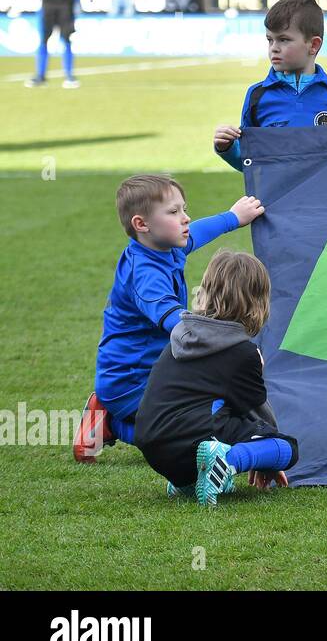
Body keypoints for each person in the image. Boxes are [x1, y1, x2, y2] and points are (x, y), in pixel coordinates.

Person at [72, 176, 265, 462]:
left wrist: (233, 217)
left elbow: (197, 231)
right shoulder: (145, 275)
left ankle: (110, 415)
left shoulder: (166, 246)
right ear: (142, 225)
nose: (185, 218)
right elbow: (175, 321)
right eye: (173, 212)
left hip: (155, 372)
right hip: (130, 379)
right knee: (171, 433)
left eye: (184, 209)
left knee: (189, 418)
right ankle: (108, 421)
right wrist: (227, 343)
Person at [135, 251, 298, 505]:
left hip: (153, 447)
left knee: (215, 409)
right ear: (258, 302)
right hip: (192, 440)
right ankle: (226, 461)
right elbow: (256, 409)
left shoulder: (180, 337)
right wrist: (265, 449)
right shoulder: (243, 352)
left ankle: (187, 483)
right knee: (288, 447)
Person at [213, 0, 327, 172]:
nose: (274, 47)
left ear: (313, 45)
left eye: (283, 39)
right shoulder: (257, 96)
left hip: (325, 198)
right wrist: (227, 148)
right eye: (270, 40)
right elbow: (251, 161)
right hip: (275, 199)